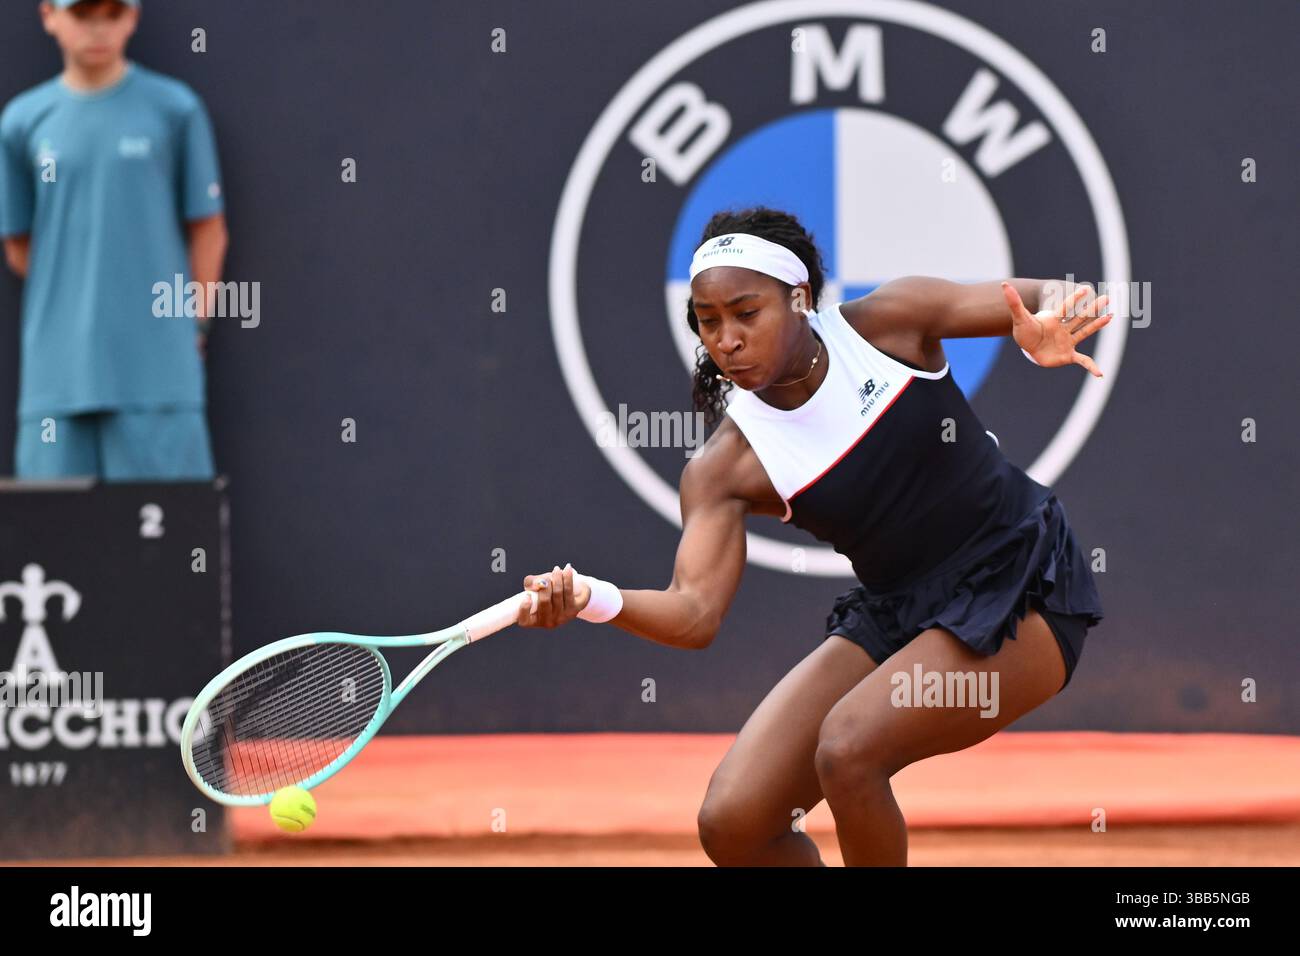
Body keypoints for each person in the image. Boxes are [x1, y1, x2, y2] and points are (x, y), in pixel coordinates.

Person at [518, 206, 1110, 867]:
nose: (727, 339)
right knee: (735, 821)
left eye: (747, 313)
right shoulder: (726, 468)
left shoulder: (892, 322)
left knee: (849, 750)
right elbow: (693, 612)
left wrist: (1047, 321)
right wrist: (591, 597)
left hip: (1023, 589)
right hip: (899, 612)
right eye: (708, 322)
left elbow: (1036, 299)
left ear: (799, 299)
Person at [0, 0, 227, 480]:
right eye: (82, 14)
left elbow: (208, 231)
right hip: (56, 386)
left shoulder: (175, 109)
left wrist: (195, 326)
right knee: (54, 545)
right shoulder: (22, 122)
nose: (98, 29)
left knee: (169, 545)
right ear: (49, 16)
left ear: (133, 18)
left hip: (158, 381)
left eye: (112, 13)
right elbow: (19, 245)